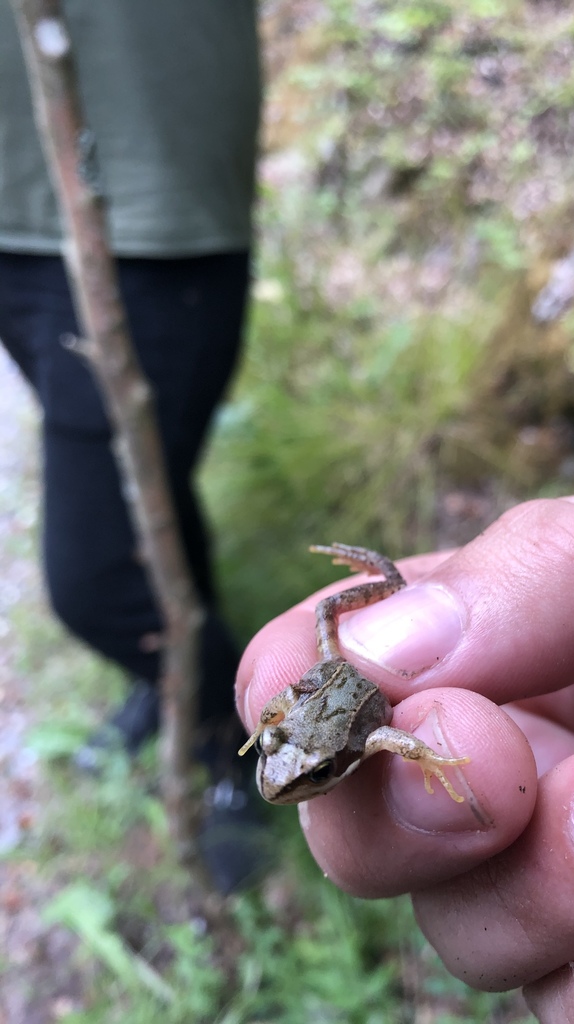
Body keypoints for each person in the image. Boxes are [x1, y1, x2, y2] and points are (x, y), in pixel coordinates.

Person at [236, 475, 574, 1019]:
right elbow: (303, 710)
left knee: (330, 619)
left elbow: (387, 737)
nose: (281, 782)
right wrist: (276, 723)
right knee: (326, 617)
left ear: (333, 764)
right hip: (331, 693)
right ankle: (386, 583)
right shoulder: (308, 737)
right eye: (268, 745)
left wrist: (431, 757)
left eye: (318, 773)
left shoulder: (363, 741)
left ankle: (388, 575)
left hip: (363, 688)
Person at [0, 0, 264, 894]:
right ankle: (175, 675)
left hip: (145, 199)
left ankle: (247, 750)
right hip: (15, 203)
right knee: (147, 495)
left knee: (94, 579)